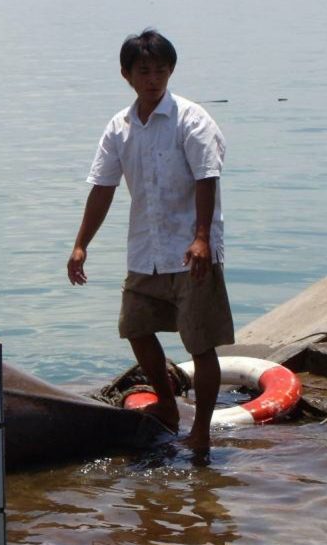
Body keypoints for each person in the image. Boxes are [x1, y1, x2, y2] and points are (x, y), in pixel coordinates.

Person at [67, 29, 234, 451]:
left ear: (170, 70)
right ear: (127, 75)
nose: (153, 78)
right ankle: (167, 404)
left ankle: (201, 433)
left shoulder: (191, 119)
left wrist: (201, 239)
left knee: (200, 342)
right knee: (135, 327)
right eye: (144, 70)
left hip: (191, 251)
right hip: (146, 249)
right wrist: (81, 243)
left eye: (161, 69)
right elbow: (102, 187)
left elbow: (207, 177)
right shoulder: (120, 127)